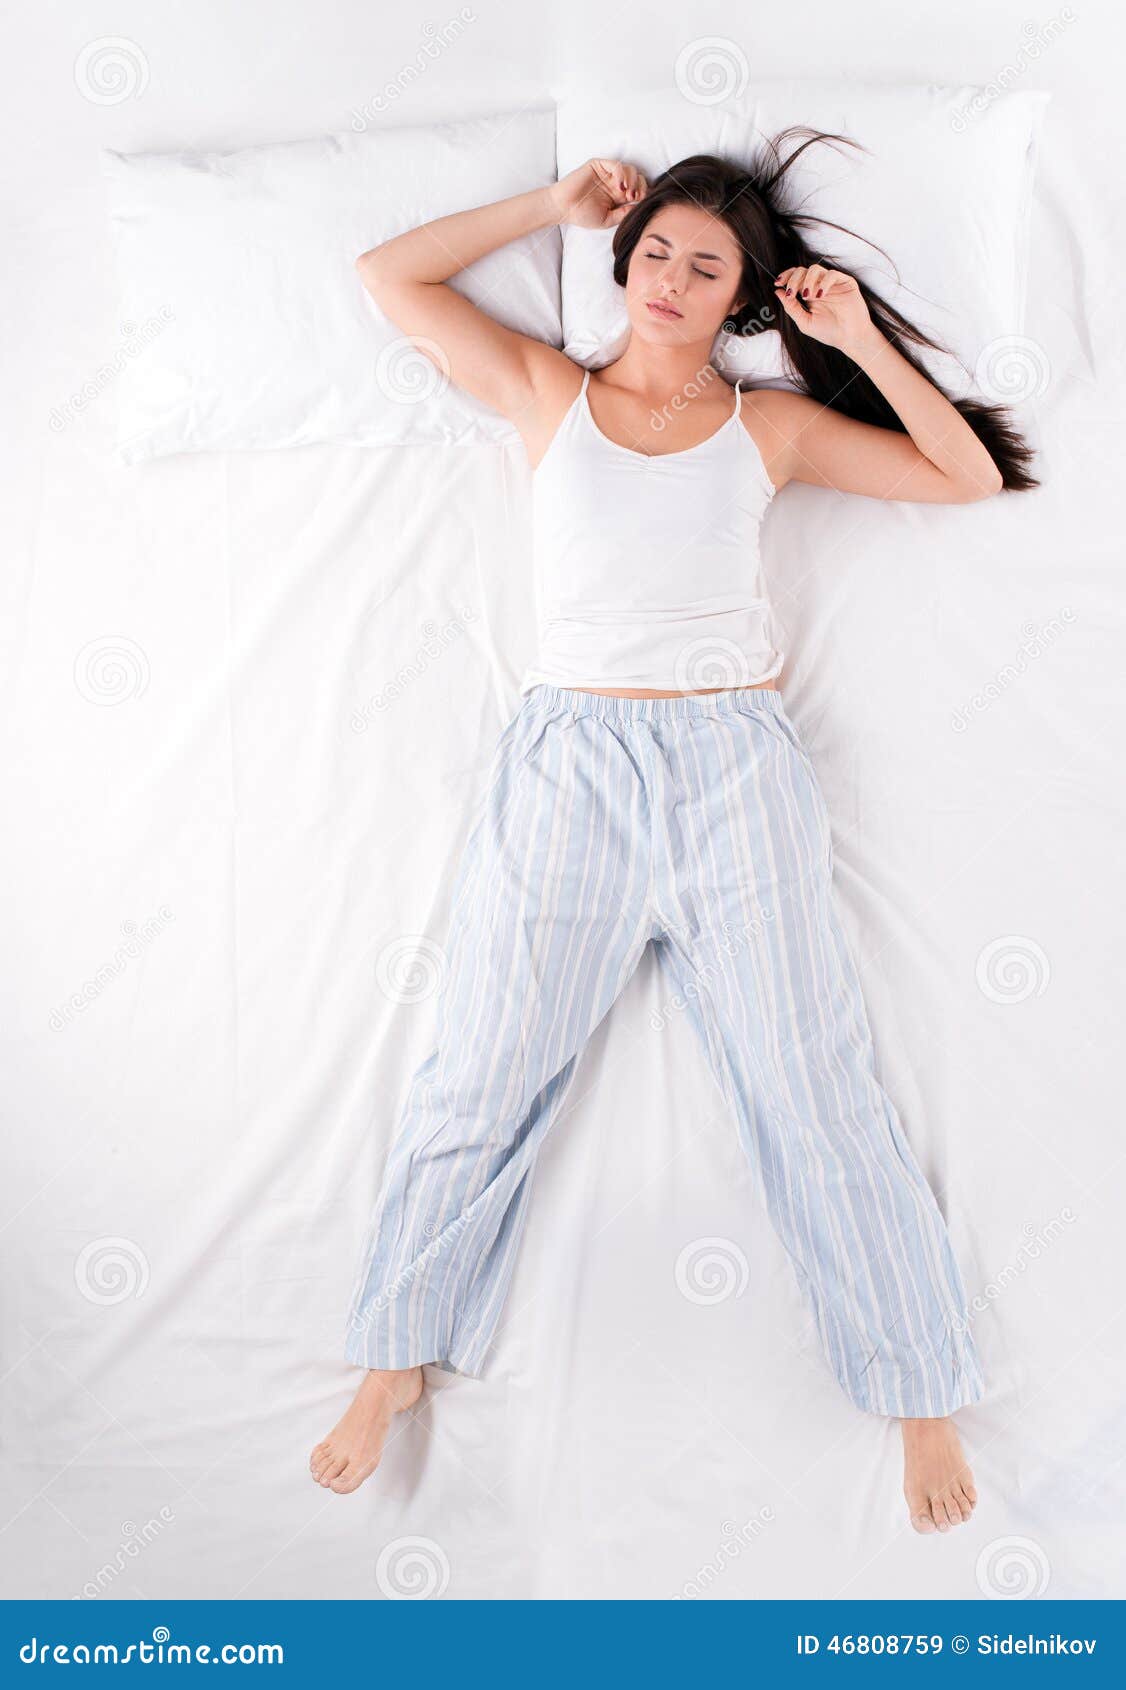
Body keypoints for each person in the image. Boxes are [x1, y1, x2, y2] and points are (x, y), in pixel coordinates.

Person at [309, 135, 1038, 1534]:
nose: (670, 281)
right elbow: (383, 276)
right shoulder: (544, 391)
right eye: (654, 254)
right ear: (623, 261)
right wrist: (548, 203)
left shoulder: (766, 426)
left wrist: (859, 336)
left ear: (739, 301)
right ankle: (390, 1357)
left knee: (811, 1084)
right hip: (569, 759)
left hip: (729, 769)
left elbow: (960, 476)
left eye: (706, 269)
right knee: (478, 1071)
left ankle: (919, 1385)